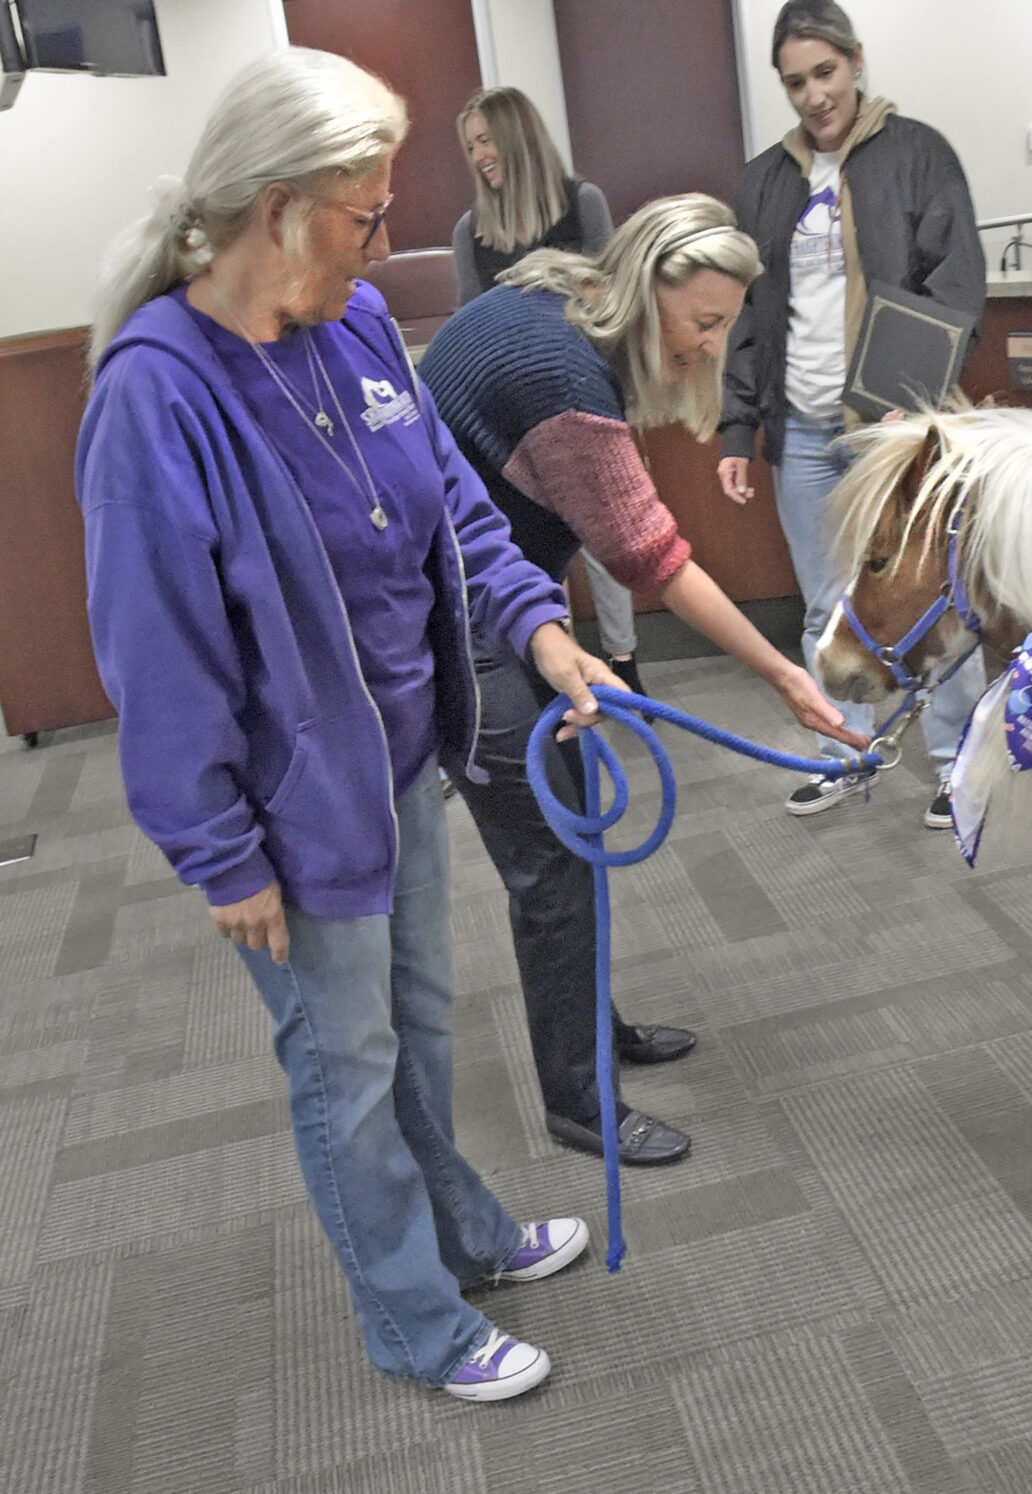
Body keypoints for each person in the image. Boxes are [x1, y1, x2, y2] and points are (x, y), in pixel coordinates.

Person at [77, 47, 615, 1403]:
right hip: (290, 813)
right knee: (348, 1069)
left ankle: (467, 1236)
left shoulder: (362, 326)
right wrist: (219, 854)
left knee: (419, 1024)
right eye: (366, 211)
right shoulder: (159, 392)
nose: (384, 236)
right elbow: (156, 651)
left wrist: (539, 626)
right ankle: (416, 1322)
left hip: (399, 770)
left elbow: (456, 507)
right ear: (277, 208)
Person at [420, 193, 865, 1166]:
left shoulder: (568, 297)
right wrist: (786, 678)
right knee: (550, 860)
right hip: (449, 619)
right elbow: (648, 557)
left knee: (572, 832)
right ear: (645, 283)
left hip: (501, 602)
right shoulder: (561, 371)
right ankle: (580, 1102)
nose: (709, 347)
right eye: (702, 322)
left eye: (724, 326)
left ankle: (590, 1030)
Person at [718, 0, 987, 826]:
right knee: (824, 607)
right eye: (794, 82)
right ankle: (846, 754)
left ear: (857, 62)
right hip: (799, 429)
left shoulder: (917, 155)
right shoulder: (765, 180)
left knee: (922, 598)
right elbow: (748, 314)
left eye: (825, 74)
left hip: (894, 428)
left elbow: (956, 288)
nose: (812, 96)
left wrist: (913, 407)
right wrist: (738, 427)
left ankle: (959, 768)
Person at [452, 85, 645, 699]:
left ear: (516, 135)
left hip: (580, 397)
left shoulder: (580, 202)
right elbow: (469, 327)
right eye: (471, 145)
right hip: (509, 423)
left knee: (604, 533)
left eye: (486, 139)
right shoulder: (470, 231)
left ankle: (625, 660)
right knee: (533, 541)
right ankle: (554, 659)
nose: (479, 154)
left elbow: (613, 304)